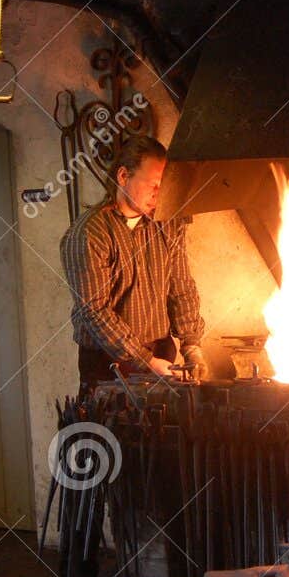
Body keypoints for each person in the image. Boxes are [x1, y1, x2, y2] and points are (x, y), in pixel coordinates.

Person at [60, 135, 207, 393]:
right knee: (115, 432)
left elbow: (181, 286)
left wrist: (191, 345)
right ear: (123, 176)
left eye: (163, 185)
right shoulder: (88, 234)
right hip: (108, 364)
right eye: (152, 185)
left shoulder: (167, 222)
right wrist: (145, 360)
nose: (158, 194)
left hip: (161, 353)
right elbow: (95, 311)